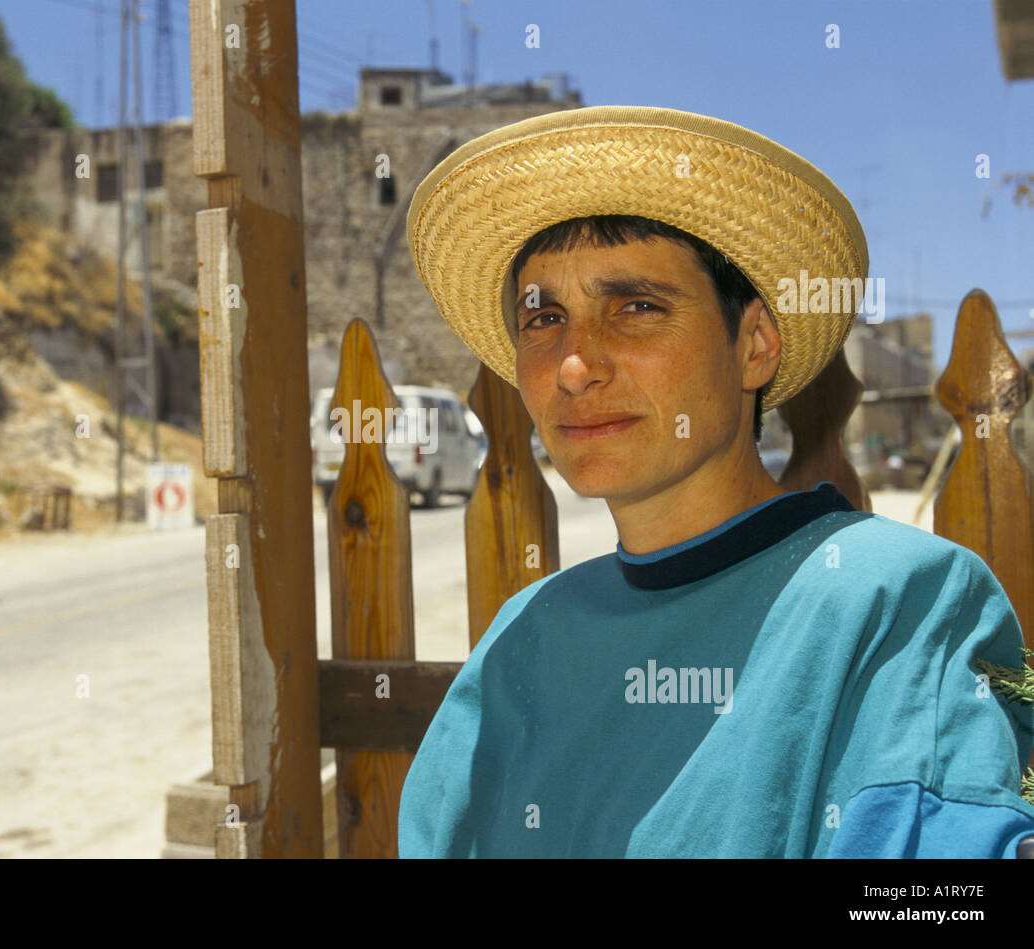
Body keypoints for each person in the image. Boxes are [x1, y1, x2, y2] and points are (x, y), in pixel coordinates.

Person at [398, 106, 1034, 858]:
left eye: (635, 307)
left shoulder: (899, 601)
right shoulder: (520, 638)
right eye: (543, 320)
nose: (574, 366)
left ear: (756, 344)